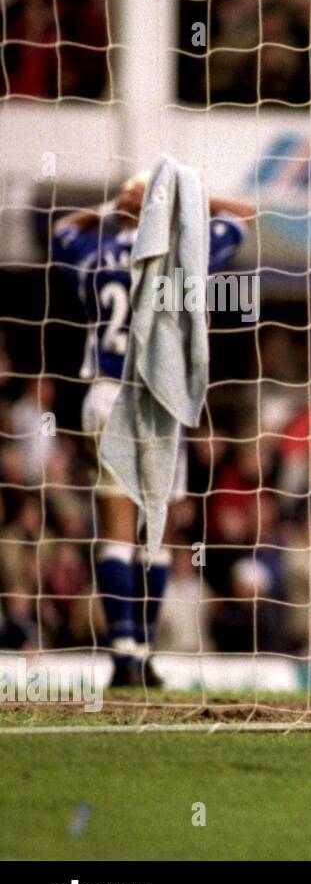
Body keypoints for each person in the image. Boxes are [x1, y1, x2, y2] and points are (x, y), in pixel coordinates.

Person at [51, 173, 254, 686]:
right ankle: (141, 650)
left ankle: (124, 652)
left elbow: (61, 230)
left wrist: (109, 207)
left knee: (117, 529)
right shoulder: (182, 255)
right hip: (159, 398)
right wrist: (188, 201)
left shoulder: (94, 255)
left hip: (106, 393)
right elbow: (245, 216)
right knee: (156, 534)